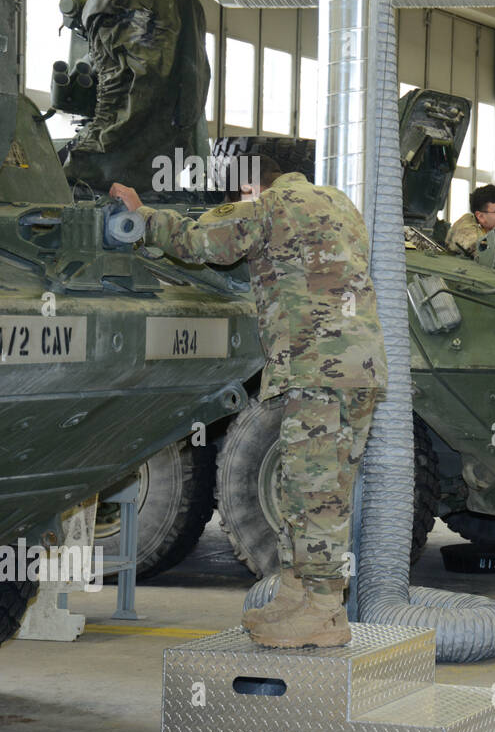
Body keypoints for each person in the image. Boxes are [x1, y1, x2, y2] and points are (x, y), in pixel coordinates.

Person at [109, 154, 387, 646]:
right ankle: (295, 595)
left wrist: (142, 213)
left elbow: (199, 243)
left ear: (248, 189)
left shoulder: (269, 206)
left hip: (320, 368)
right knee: (306, 485)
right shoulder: (339, 203)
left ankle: (325, 613)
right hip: (353, 366)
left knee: (315, 493)